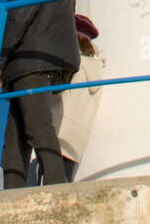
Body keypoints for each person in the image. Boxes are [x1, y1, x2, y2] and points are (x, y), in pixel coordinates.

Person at [0, 0, 80, 189]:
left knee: (36, 128)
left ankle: (56, 186)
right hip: (31, 64)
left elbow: (20, 13)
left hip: (31, 63)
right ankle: (11, 193)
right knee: (16, 136)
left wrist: (1, 61)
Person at [31, 14, 105, 184]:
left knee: (46, 182)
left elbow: (54, 93)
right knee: (64, 181)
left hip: (57, 131)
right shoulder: (96, 70)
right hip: (77, 137)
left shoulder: (70, 66)